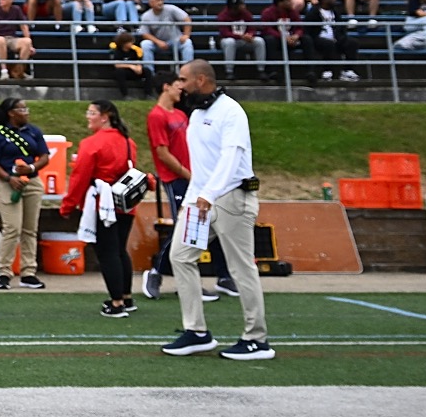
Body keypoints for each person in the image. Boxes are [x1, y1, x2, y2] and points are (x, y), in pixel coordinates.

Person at [160, 61, 272, 360]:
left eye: (183, 79)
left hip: (231, 198)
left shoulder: (231, 111)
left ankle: (256, 339)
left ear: (200, 79)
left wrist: (209, 194)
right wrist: (194, 199)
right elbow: (202, 165)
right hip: (201, 201)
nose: (179, 85)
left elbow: (231, 158)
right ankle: (196, 331)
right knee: (180, 256)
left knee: (240, 269)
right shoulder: (197, 113)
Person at [141, 74, 232, 301]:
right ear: (166, 87)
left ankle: (221, 277)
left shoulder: (182, 114)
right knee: (187, 228)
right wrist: (186, 173)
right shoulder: (157, 115)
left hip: (195, 178)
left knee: (206, 225)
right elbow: (162, 152)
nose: (181, 91)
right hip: (177, 179)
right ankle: (157, 272)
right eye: (177, 87)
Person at [62, 100, 142, 317]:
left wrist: (68, 205)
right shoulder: (128, 141)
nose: (88, 116)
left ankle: (116, 303)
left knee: (107, 254)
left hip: (103, 204)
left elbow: (80, 177)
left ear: (104, 116)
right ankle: (125, 296)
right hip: (125, 203)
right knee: (119, 250)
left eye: (91, 113)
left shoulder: (92, 143)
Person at [0, 97, 49, 290]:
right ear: (11, 113)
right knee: (12, 227)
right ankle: (3, 271)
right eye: (22, 109)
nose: (26, 112)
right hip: (7, 182)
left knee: (30, 228)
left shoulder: (33, 131)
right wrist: (8, 178)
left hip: (31, 181)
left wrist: (31, 167)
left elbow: (44, 156)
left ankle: (28, 271)